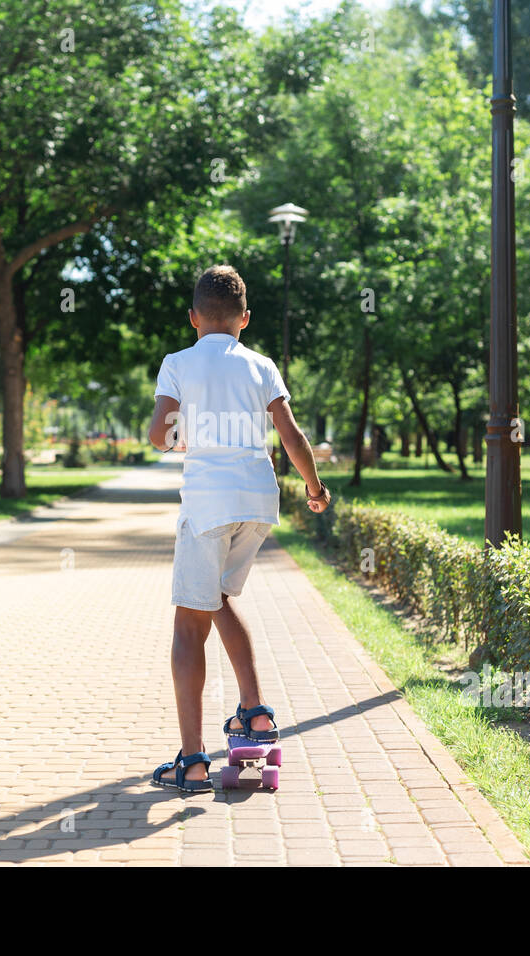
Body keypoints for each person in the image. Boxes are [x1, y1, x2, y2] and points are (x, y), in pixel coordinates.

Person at [146, 265, 330, 792]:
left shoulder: (178, 363)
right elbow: (291, 435)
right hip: (259, 500)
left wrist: (179, 441)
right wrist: (314, 491)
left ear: (192, 318)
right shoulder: (262, 365)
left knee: (188, 625)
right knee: (220, 597)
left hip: (209, 506)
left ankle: (192, 760)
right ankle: (255, 713)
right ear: (244, 319)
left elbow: (160, 433)